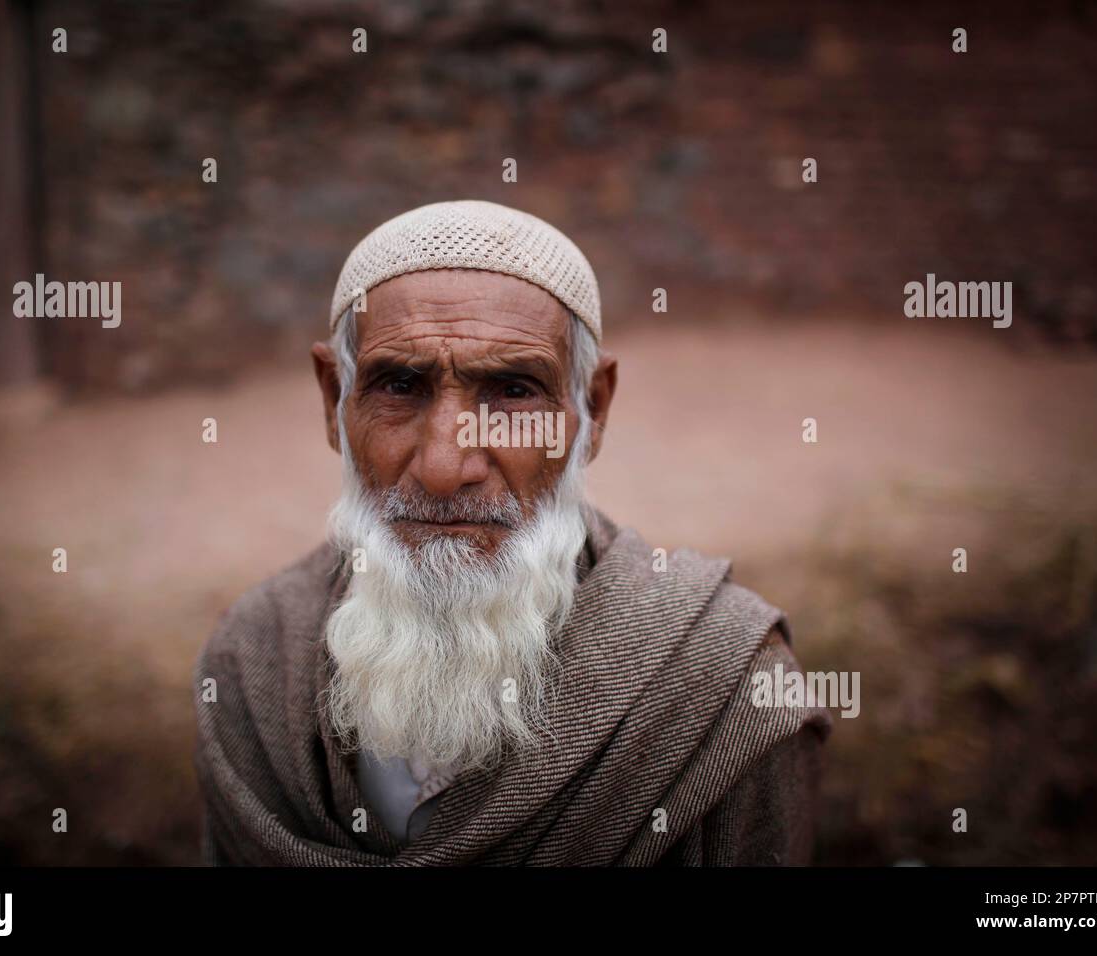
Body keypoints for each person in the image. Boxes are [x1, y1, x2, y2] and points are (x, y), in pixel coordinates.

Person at [193, 199, 831, 865]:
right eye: (401, 385)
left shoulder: (725, 689)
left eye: (515, 391)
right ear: (333, 401)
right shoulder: (251, 666)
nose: (445, 466)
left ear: (592, 410)